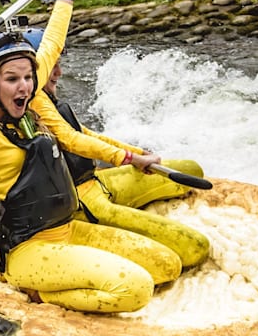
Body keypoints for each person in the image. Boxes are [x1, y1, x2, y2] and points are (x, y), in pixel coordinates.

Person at [0, 0, 183, 313]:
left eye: (28, 78)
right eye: (12, 79)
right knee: (136, 288)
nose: (24, 86)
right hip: (30, 251)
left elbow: (52, 44)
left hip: (68, 229)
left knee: (168, 264)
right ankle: (40, 293)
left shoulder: (30, 114)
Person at [17, 27, 209, 270]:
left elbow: (85, 134)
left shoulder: (48, 101)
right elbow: (70, 140)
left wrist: (137, 153)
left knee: (191, 169)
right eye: (52, 66)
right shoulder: (28, 106)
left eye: (58, 64)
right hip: (78, 201)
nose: (59, 72)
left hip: (96, 181)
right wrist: (129, 158)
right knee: (194, 246)